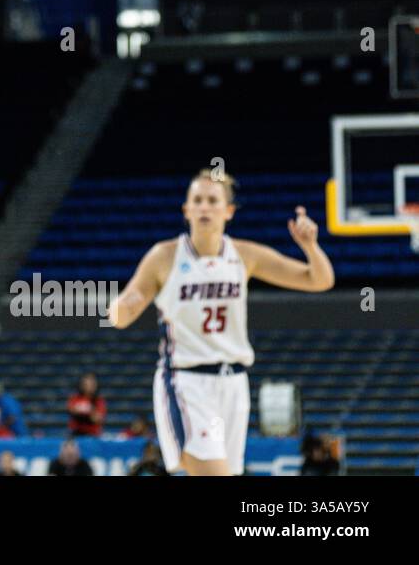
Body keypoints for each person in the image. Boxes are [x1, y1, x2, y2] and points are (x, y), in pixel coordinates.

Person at [108, 169, 335, 476]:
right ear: (186, 210)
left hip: (233, 384)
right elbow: (122, 315)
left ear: (228, 211)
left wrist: (310, 246)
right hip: (186, 381)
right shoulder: (164, 257)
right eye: (197, 200)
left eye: (212, 200)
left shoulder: (244, 255)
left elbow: (318, 280)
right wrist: (122, 306)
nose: (204, 207)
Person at [67, 372, 106, 437]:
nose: (88, 386)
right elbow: (71, 410)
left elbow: (97, 419)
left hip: (93, 435)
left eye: (91, 384)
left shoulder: (99, 400)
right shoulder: (75, 398)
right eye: (86, 384)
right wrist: (89, 412)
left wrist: (85, 411)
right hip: (76, 434)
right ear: (81, 384)